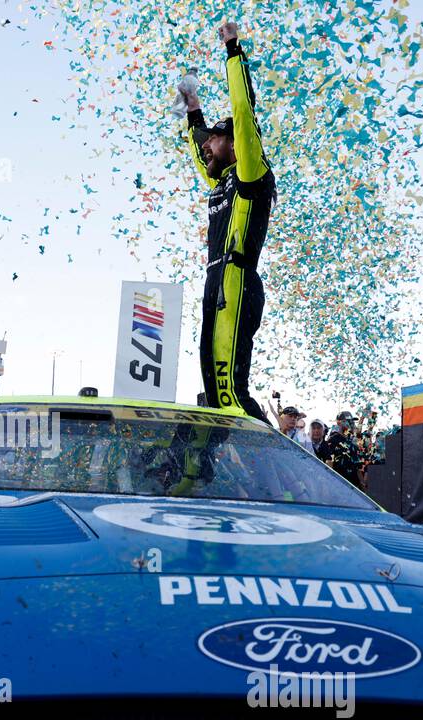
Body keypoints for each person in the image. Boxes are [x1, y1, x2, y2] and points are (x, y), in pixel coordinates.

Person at [181, 20, 276, 421]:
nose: (205, 146)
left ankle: (281, 480)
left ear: (235, 142)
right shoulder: (219, 179)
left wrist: (232, 49)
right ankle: (203, 476)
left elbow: (242, 110)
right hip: (215, 281)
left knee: (232, 394)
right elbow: (197, 141)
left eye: (213, 140)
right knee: (216, 397)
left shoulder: (250, 171)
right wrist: (192, 106)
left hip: (236, 279)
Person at [321, 412, 363, 489]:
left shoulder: (351, 441)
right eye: (348, 421)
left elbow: (357, 466)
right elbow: (329, 462)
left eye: (352, 421)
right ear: (339, 422)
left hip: (354, 487)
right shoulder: (333, 439)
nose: (351, 423)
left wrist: (362, 484)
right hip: (340, 486)